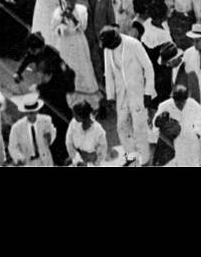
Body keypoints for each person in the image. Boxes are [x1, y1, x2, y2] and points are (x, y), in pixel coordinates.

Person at [101, 24, 154, 162]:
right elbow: (109, 73)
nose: (109, 48)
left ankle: (144, 159)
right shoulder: (108, 50)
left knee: (139, 126)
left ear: (116, 38)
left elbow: (148, 68)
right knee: (122, 126)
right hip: (121, 94)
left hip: (138, 91)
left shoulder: (133, 44)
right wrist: (110, 96)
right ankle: (132, 156)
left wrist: (148, 92)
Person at [7, 93, 57, 167]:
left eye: (33, 112)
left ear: (37, 110)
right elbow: (12, 147)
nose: (31, 114)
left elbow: (52, 132)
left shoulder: (46, 120)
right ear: (25, 112)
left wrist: (50, 137)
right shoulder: (16, 128)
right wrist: (19, 157)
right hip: (28, 162)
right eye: (29, 112)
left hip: (45, 160)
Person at [66, 99, 109, 166]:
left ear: (82, 116)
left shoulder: (98, 130)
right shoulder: (73, 124)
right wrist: (75, 158)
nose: (74, 117)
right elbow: (69, 142)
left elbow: (103, 150)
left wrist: (93, 157)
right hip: (77, 159)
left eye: (75, 115)